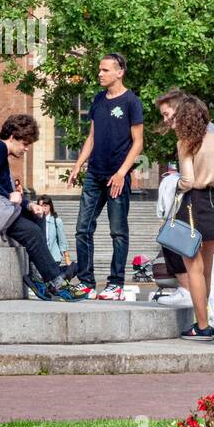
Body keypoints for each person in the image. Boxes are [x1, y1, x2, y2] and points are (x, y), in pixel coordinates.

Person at [0, 114, 90, 301]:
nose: (26, 149)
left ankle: (39, 275)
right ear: (12, 136)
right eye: (24, 143)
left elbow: (10, 193)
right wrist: (8, 195)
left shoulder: (0, 153)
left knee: (38, 216)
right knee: (31, 233)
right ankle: (57, 283)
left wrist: (29, 205)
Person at [67, 53, 144, 300]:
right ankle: (87, 283)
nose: (100, 74)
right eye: (99, 70)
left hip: (117, 177)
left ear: (119, 72)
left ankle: (116, 284)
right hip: (94, 175)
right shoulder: (98, 100)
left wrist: (122, 172)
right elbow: (91, 137)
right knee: (82, 228)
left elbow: (138, 143)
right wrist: (79, 164)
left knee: (118, 232)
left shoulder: (132, 102)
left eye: (105, 70)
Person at [153, 89, 214, 311]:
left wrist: (180, 184)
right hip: (213, 196)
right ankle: (202, 306)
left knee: (181, 246)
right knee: (203, 260)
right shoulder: (208, 136)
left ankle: (193, 297)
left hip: (209, 195)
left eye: (166, 113)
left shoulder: (193, 137)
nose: (165, 119)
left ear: (180, 110)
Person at [167, 96, 214, 340]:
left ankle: (201, 326)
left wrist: (177, 184)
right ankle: (207, 321)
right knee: (207, 270)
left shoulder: (186, 142)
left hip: (193, 203)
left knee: (193, 268)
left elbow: (189, 180)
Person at [38, 196, 72, 273]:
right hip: (41, 258)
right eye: (40, 206)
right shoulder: (36, 221)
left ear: (50, 206)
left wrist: (67, 258)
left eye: (45, 206)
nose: (43, 208)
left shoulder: (57, 221)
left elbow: (62, 240)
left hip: (54, 257)